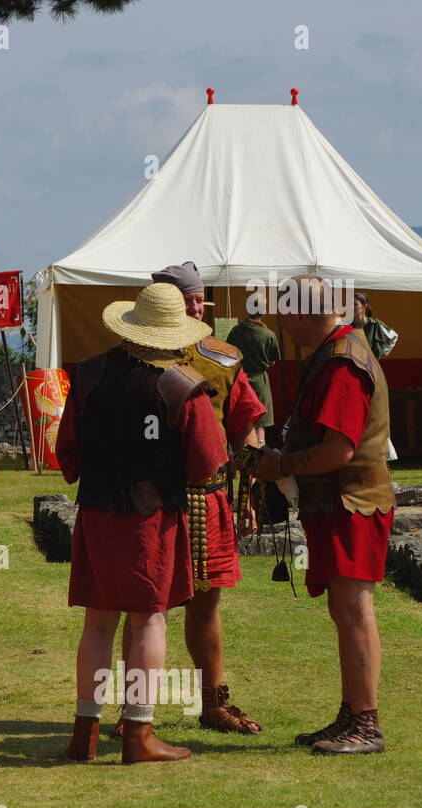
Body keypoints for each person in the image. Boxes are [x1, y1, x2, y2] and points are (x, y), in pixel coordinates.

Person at [56, 282, 227, 764]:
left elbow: (67, 451)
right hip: (152, 518)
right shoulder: (182, 385)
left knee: (97, 622)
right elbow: (208, 461)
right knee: (150, 619)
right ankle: (139, 733)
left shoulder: (88, 375)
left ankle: (84, 734)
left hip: (96, 510)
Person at [113, 261, 267, 735]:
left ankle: (213, 703)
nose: (198, 308)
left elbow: (247, 425)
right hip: (149, 500)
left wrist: (253, 481)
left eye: (200, 300)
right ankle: (134, 713)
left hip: (207, 500)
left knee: (206, 606)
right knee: (144, 609)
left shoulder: (223, 356)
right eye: (188, 301)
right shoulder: (124, 359)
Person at [257, 276, 395, 755]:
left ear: (302, 313)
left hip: (350, 501)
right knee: (345, 609)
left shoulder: (342, 361)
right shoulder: (337, 352)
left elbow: (338, 448)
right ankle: (351, 716)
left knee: (354, 609)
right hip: (341, 501)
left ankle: (365, 724)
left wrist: (280, 465)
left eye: (284, 312)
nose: (280, 321)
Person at [226, 310, 280, 442]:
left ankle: (243, 460)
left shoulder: (235, 331)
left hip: (240, 379)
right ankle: (259, 456)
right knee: (260, 423)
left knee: (240, 420)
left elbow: (228, 353)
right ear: (263, 312)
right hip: (260, 381)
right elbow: (272, 361)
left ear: (247, 310)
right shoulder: (269, 334)